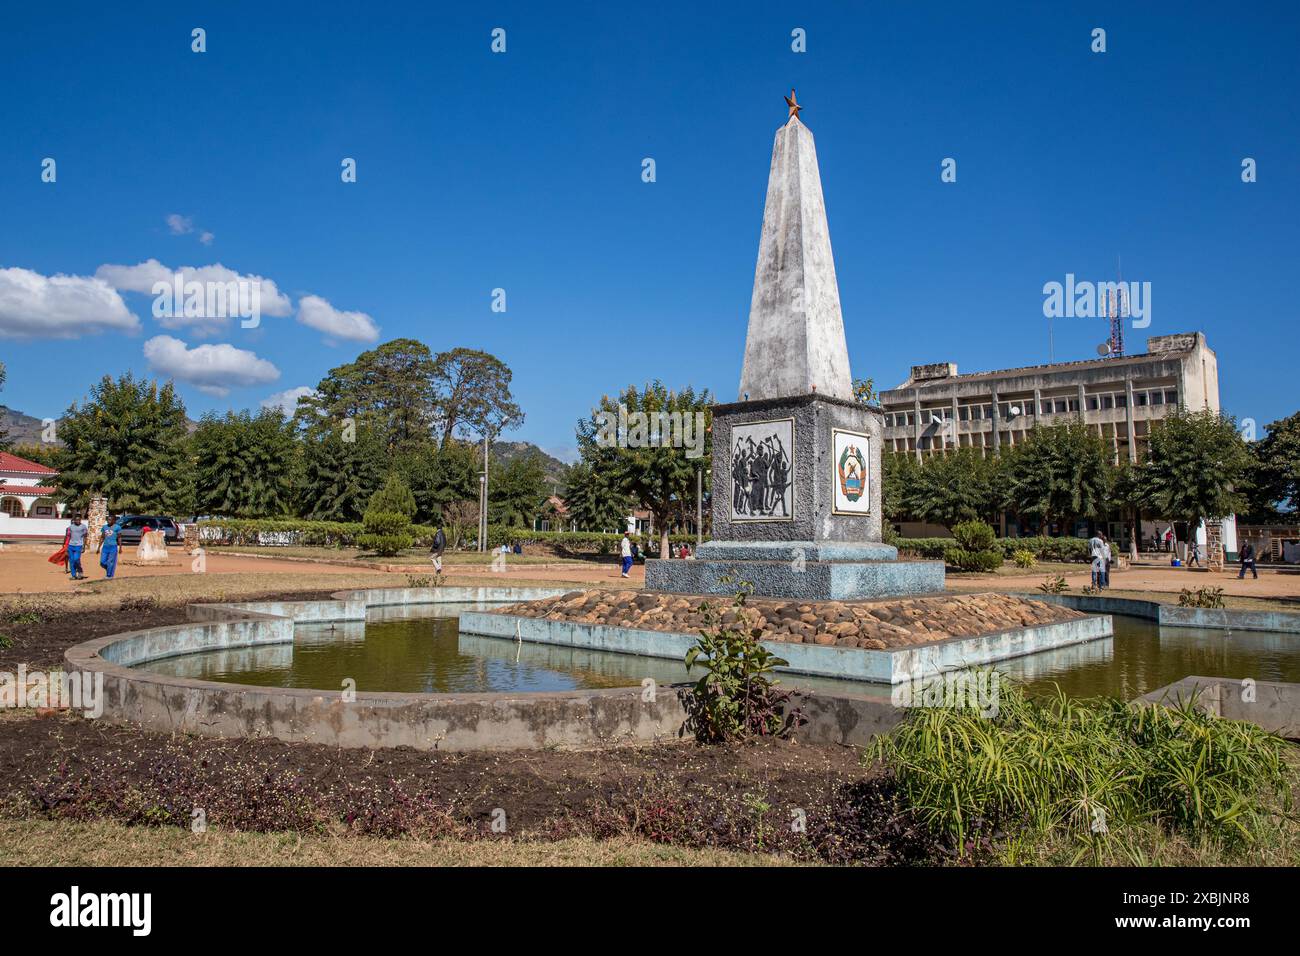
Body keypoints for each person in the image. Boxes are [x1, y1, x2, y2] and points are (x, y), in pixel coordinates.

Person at [65, 513, 88, 580]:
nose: (78, 521)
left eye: (79, 520)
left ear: (80, 520)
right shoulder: (70, 527)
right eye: (76, 520)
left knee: (76, 559)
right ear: (74, 520)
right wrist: (66, 546)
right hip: (71, 546)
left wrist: (84, 546)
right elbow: (68, 537)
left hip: (79, 545)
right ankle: (73, 575)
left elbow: (85, 537)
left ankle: (80, 571)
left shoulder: (83, 527)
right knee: (71, 560)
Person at [99, 514, 122, 580]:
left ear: (114, 520)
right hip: (105, 547)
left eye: (110, 520)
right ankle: (109, 569)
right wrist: (98, 547)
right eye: (107, 519)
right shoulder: (104, 527)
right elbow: (102, 537)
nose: (108, 521)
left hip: (113, 547)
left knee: (110, 562)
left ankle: (109, 575)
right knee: (102, 562)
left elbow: (119, 537)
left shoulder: (117, 527)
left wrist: (120, 547)